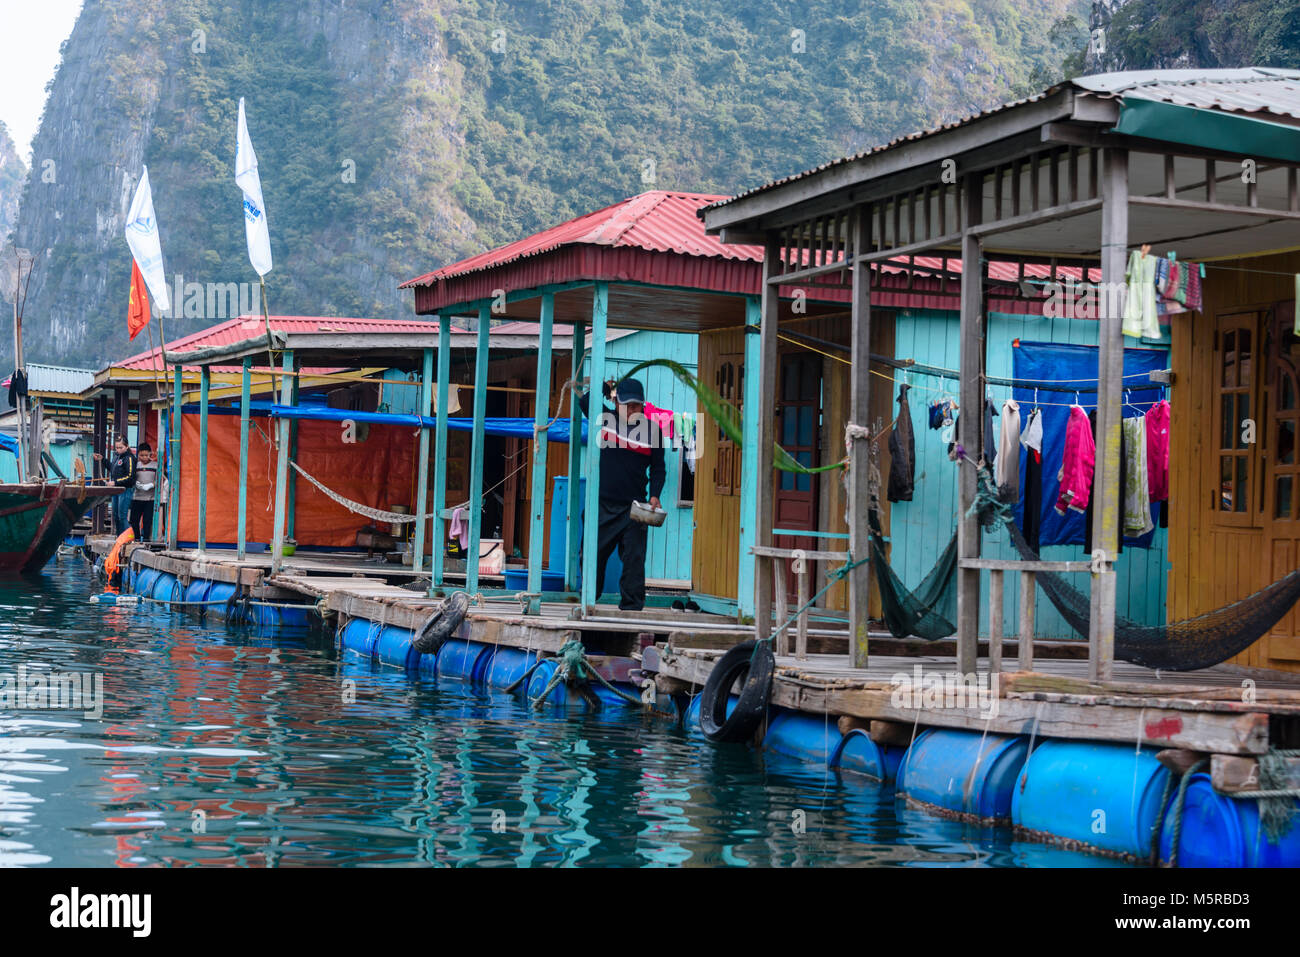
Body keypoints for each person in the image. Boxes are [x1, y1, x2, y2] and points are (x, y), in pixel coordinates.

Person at [578, 376, 666, 610]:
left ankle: (632, 608)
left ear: (643, 405)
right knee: (592, 556)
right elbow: (584, 401)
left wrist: (655, 494)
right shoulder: (605, 420)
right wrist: (604, 388)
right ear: (617, 403)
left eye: (636, 405)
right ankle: (588, 600)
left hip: (634, 508)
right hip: (602, 504)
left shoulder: (653, 432)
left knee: (634, 560)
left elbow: (658, 469)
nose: (631, 410)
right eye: (626, 405)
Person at [95, 435, 136, 535]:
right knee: (116, 516)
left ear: (127, 447)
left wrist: (115, 482)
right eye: (117, 447)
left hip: (125, 490)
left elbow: (130, 477)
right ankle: (120, 537)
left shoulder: (129, 458)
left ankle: (128, 537)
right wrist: (103, 460)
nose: (118, 450)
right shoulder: (116, 457)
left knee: (122, 516)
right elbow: (112, 469)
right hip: (116, 490)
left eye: (121, 447)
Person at [129, 442, 157, 541]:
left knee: (147, 521)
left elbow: (161, 480)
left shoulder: (155, 465)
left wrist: (151, 485)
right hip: (137, 497)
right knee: (133, 519)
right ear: (138, 454)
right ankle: (136, 538)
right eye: (141, 455)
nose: (144, 457)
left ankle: (146, 540)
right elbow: (130, 478)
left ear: (150, 454)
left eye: (146, 455)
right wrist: (136, 484)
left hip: (150, 498)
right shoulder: (136, 465)